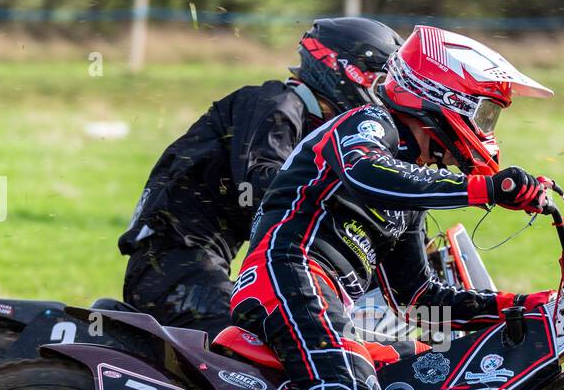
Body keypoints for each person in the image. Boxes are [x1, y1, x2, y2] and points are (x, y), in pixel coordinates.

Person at [189, 25, 556, 390]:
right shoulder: (367, 126)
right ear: (443, 95)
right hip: (289, 275)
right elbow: (368, 173)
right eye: (484, 113)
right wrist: (486, 190)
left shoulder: (408, 190)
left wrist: (519, 306)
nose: (487, 130)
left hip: (326, 297)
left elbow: (418, 297)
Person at [118, 18, 403, 337]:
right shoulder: (276, 103)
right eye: (381, 81)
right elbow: (263, 187)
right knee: (262, 343)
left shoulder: (302, 122)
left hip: (194, 264)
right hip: (172, 266)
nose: (387, 94)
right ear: (342, 69)